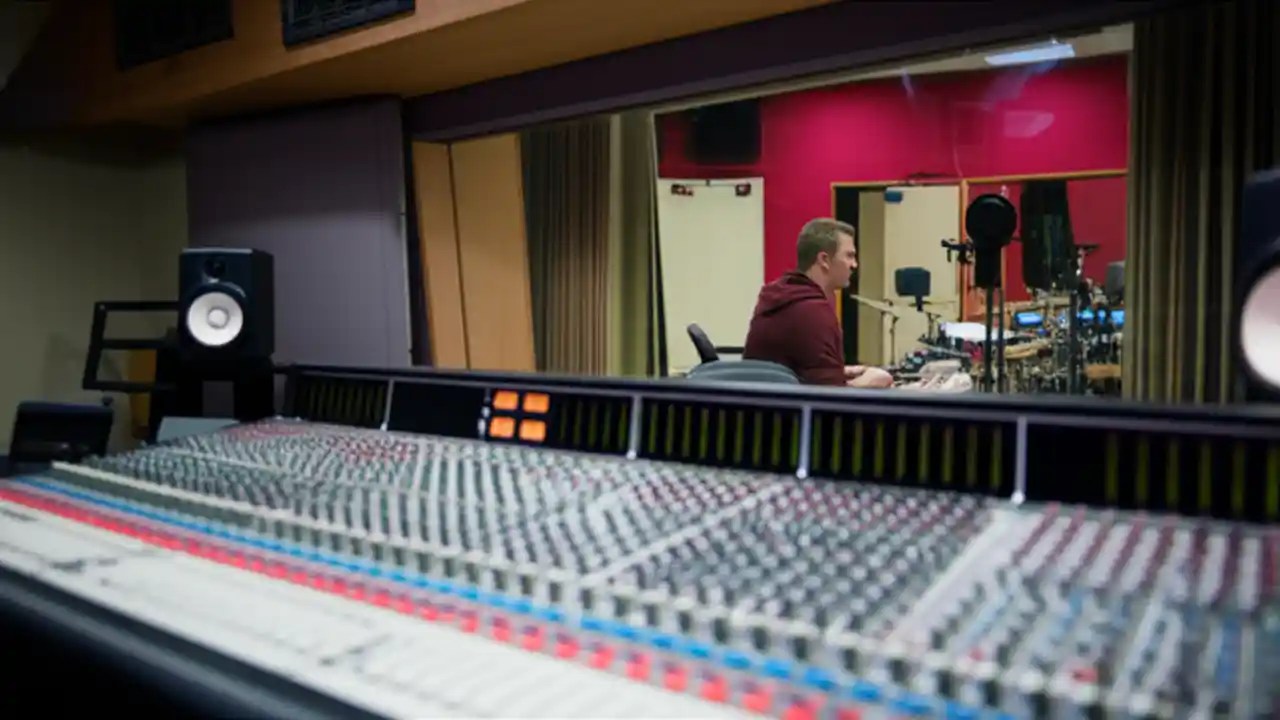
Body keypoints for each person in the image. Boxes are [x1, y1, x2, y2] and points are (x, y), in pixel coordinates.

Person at [743, 218, 894, 388]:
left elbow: (799, 372)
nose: (854, 265)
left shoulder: (783, 296)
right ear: (824, 260)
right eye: (849, 256)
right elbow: (829, 398)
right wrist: (875, 381)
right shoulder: (812, 312)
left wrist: (838, 371)